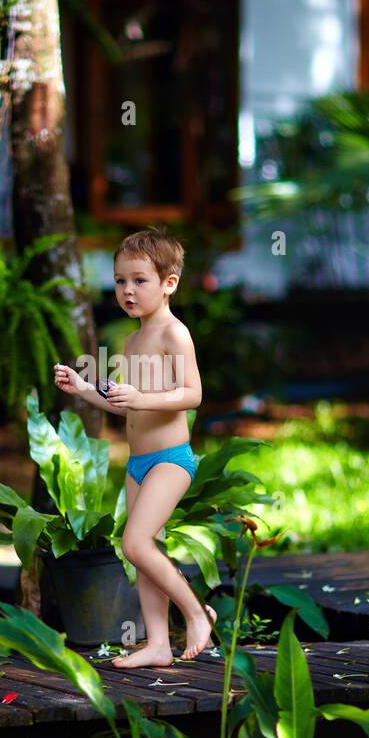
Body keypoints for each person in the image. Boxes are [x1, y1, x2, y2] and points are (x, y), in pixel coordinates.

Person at [53, 229, 215, 667]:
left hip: (170, 460)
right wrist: (84, 388)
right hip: (138, 462)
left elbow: (193, 394)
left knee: (135, 545)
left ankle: (197, 613)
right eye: (120, 280)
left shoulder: (174, 334)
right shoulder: (133, 340)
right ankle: (158, 644)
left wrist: (141, 398)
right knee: (148, 553)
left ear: (169, 283)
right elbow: (124, 403)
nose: (128, 290)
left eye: (140, 280)